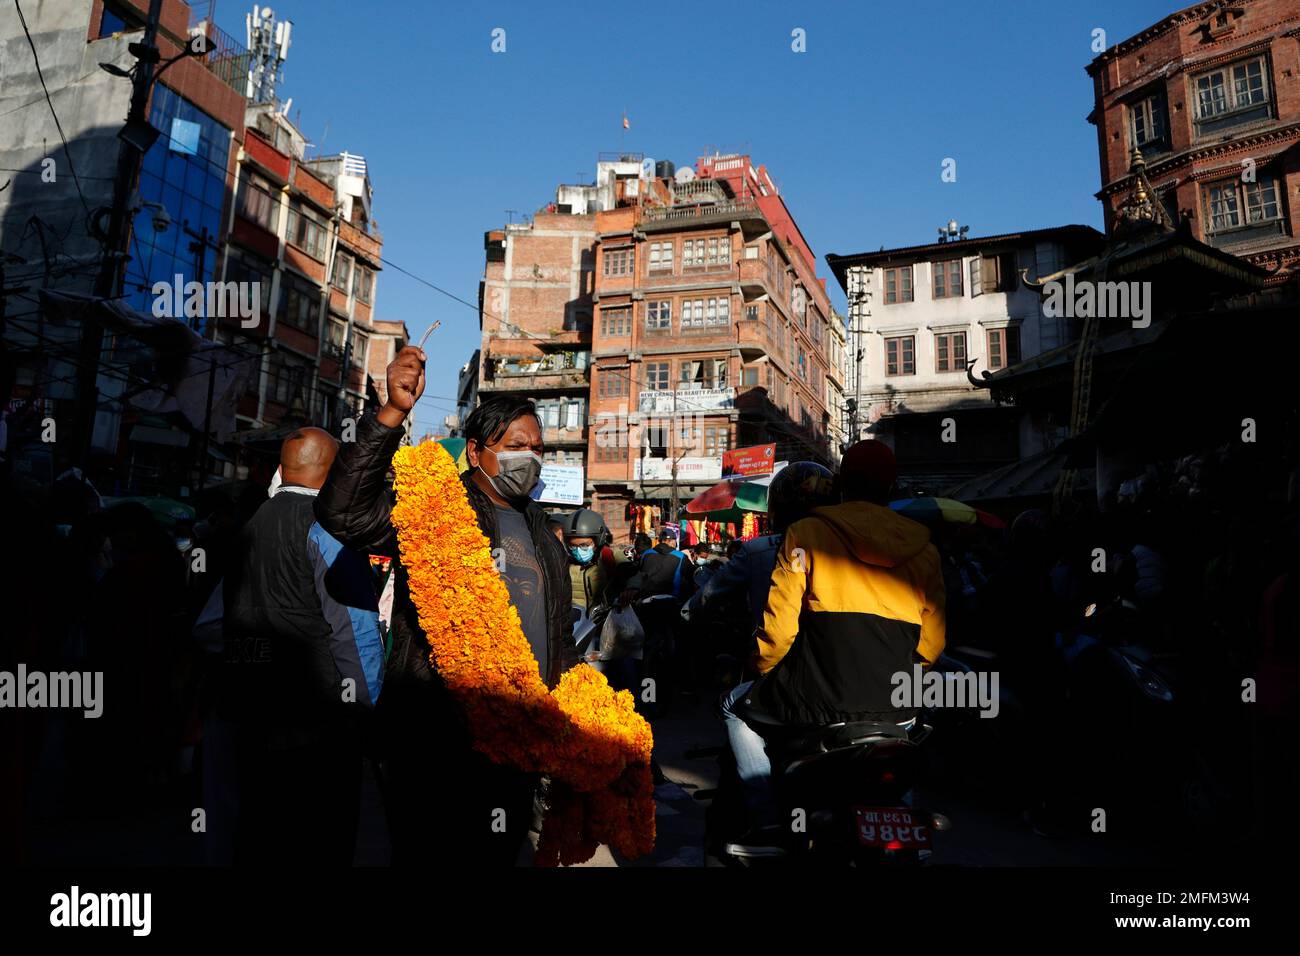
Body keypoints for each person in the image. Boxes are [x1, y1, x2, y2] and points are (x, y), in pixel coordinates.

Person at [313, 346, 576, 865]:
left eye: (540, 448)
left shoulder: (545, 531)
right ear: (476, 452)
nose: (532, 457)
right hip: (437, 737)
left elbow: (558, 635)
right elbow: (341, 512)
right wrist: (391, 414)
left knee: (499, 855)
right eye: (517, 445)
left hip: (519, 739)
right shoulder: (435, 508)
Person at [719, 441, 946, 851]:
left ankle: (768, 824)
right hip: (898, 703)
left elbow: (778, 633)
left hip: (817, 703)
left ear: (841, 483)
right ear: (892, 487)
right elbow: (932, 645)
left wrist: (759, 667)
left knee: (735, 708)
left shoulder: (807, 534)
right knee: (904, 745)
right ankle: (908, 833)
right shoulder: (925, 549)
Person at [217, 427, 385, 866]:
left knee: (259, 832)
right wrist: (368, 711)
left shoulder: (252, 522)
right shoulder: (328, 528)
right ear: (334, 475)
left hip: (251, 708)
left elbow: (218, 619)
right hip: (318, 720)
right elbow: (355, 629)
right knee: (319, 838)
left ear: (281, 469)